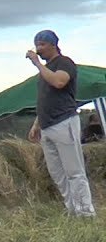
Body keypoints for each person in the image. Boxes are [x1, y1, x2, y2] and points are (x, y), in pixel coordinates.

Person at [27, 30, 96, 216]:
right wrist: (37, 124)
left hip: (64, 121)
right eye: (37, 45)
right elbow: (45, 99)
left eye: (42, 44)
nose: (39, 48)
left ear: (53, 45)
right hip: (47, 125)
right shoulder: (46, 71)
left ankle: (85, 212)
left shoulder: (64, 63)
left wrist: (37, 63)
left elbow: (59, 82)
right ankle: (72, 209)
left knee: (74, 170)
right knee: (57, 172)